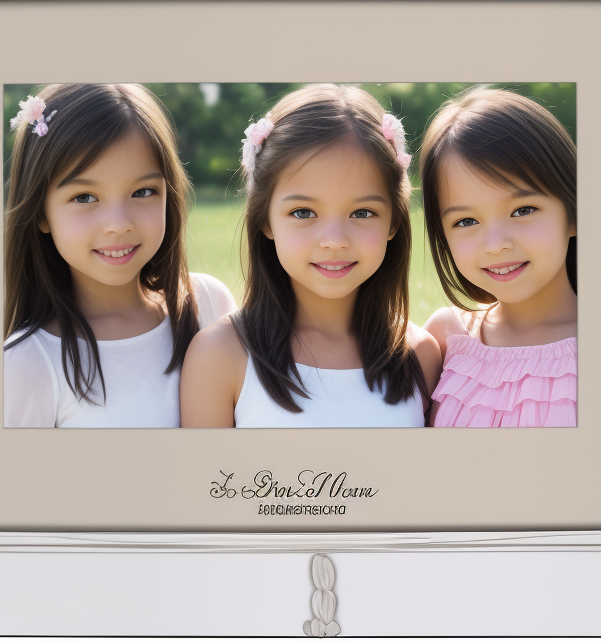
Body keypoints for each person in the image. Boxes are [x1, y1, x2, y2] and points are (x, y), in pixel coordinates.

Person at [180, 84, 441, 427]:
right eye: (303, 213)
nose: (334, 241)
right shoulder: (220, 356)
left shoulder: (420, 355)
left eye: (362, 213)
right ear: (265, 219)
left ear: (394, 220)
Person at [3, 84, 236, 427]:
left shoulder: (208, 305)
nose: (118, 225)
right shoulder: (28, 362)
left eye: (142, 192)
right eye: (84, 197)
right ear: (41, 212)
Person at [419, 87, 577, 428]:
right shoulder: (445, 341)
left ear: (574, 212)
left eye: (522, 210)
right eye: (466, 221)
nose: (495, 244)